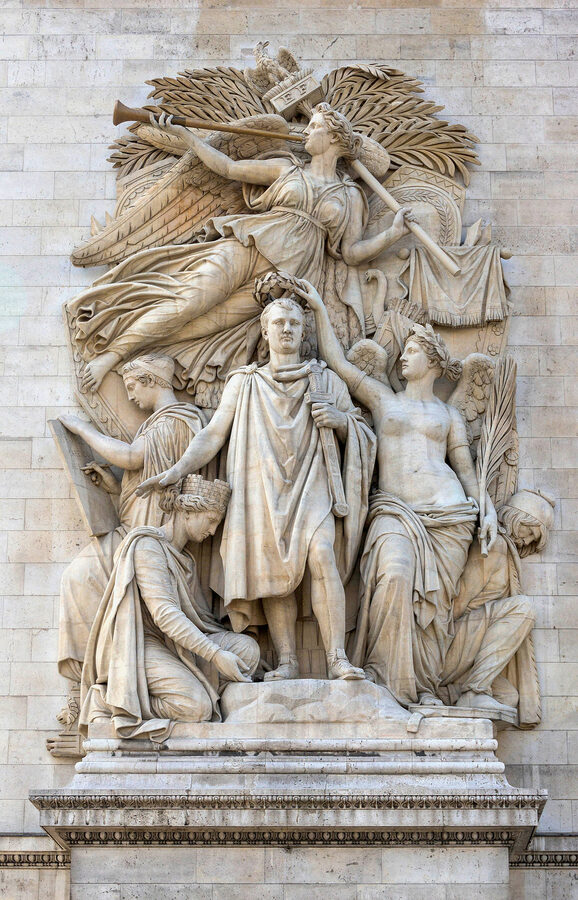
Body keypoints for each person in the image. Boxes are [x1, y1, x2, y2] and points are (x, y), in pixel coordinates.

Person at [68, 103, 415, 394]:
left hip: (281, 280)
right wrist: (186, 135)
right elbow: (228, 167)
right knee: (189, 301)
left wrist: (392, 233)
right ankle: (110, 357)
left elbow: (350, 252)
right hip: (249, 245)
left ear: (334, 138)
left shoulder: (350, 196)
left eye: (314, 127)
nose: (306, 132)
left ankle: (140, 355)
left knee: (205, 325)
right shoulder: (286, 169)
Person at [138, 293, 376, 681]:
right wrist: (177, 469)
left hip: (312, 481)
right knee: (274, 568)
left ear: (304, 332)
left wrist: (340, 420)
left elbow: (363, 430)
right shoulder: (245, 382)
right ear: (265, 332)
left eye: (295, 324)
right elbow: (214, 434)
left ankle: (337, 658)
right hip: (263, 486)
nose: (287, 329)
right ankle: (287, 660)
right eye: (279, 323)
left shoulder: (324, 378)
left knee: (321, 556)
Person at [302, 279, 498, 706]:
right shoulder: (383, 399)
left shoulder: (448, 415)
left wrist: (488, 510)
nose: (402, 357)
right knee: (394, 575)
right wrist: (319, 307)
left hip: (449, 516)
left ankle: (421, 687)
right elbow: (339, 362)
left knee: (432, 610)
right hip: (394, 511)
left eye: (410, 351)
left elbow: (464, 469)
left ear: (431, 360)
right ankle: (386, 681)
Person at [57, 354, 205, 685]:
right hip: (135, 527)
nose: (130, 396)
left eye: (132, 386)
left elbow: (131, 457)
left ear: (152, 382)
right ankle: (98, 673)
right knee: (79, 579)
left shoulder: (174, 421)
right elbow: (144, 475)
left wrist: (82, 429)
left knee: (78, 577)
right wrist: (114, 486)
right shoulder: (157, 423)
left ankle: (98, 674)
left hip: (146, 536)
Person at [80, 475, 260, 740]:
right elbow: (165, 614)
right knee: (195, 707)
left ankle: (200, 686)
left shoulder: (186, 559)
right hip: (142, 645)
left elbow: (199, 619)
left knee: (248, 650)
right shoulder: (148, 546)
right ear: (187, 510)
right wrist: (215, 654)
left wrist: (226, 644)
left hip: (177, 645)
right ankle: (113, 701)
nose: (212, 531)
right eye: (211, 521)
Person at [440, 489, 555, 723]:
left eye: (534, 539)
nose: (528, 540)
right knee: (522, 609)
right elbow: (459, 600)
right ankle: (474, 690)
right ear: (514, 518)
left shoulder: (506, 550)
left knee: (508, 697)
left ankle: (442, 695)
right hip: (449, 642)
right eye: (529, 531)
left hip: (468, 645)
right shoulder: (495, 547)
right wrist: (437, 645)